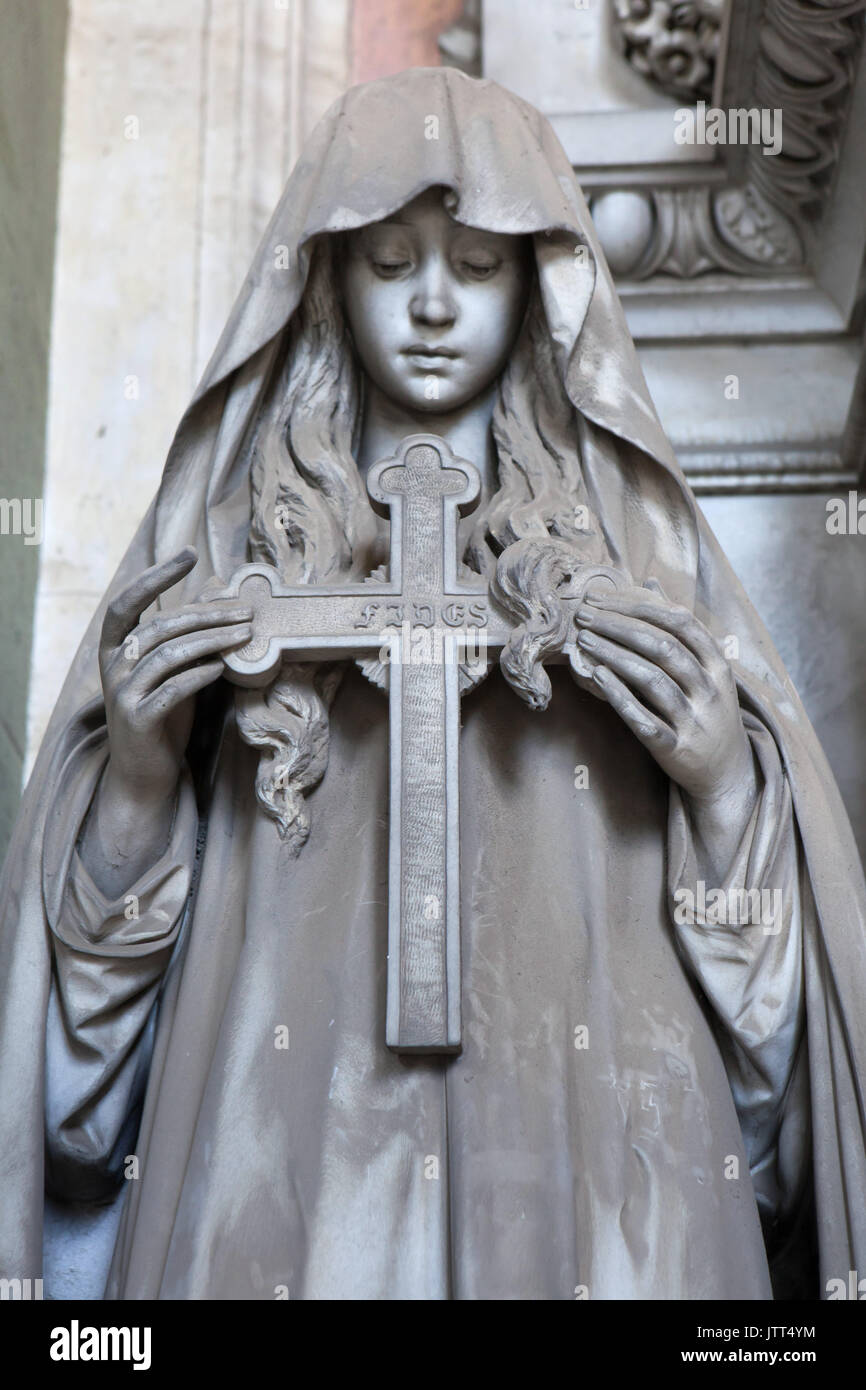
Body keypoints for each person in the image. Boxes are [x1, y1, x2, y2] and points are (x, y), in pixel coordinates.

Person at [1, 66, 865, 1301]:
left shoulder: (644, 593)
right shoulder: (229, 584)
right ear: (327, 281)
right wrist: (138, 777)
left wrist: (723, 788)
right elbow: (76, 1116)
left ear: (537, 286)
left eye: (476, 263)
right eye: (389, 260)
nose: (430, 307)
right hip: (279, 1201)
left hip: (601, 1202)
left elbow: (774, 1103)